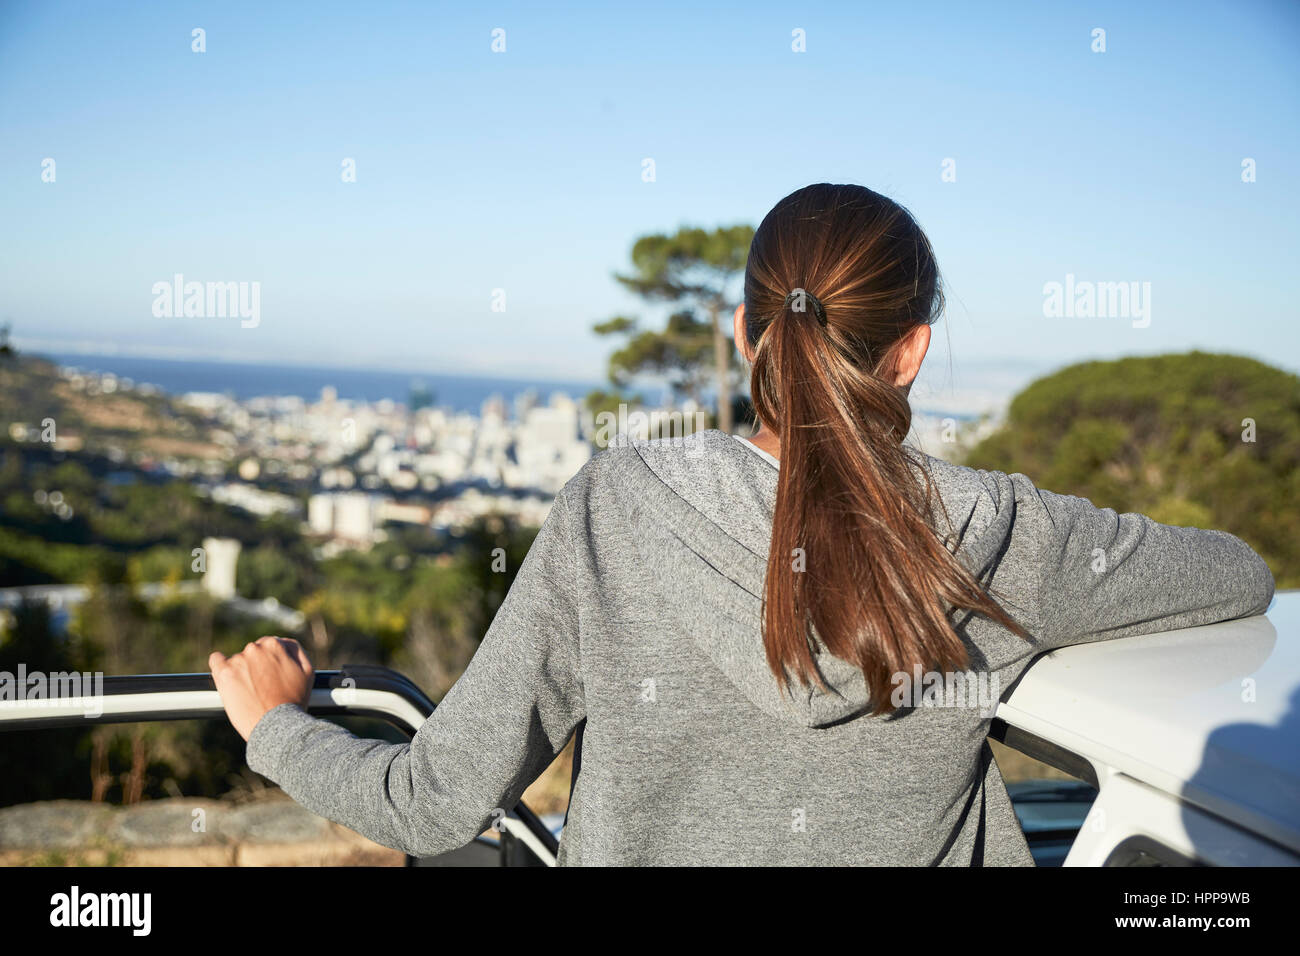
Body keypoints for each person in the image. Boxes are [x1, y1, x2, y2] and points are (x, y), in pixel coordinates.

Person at [209, 183, 1275, 865]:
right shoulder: (998, 531)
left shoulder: (614, 510)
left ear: (741, 335)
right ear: (908, 351)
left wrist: (275, 726)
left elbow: (433, 800)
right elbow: (1233, 575)